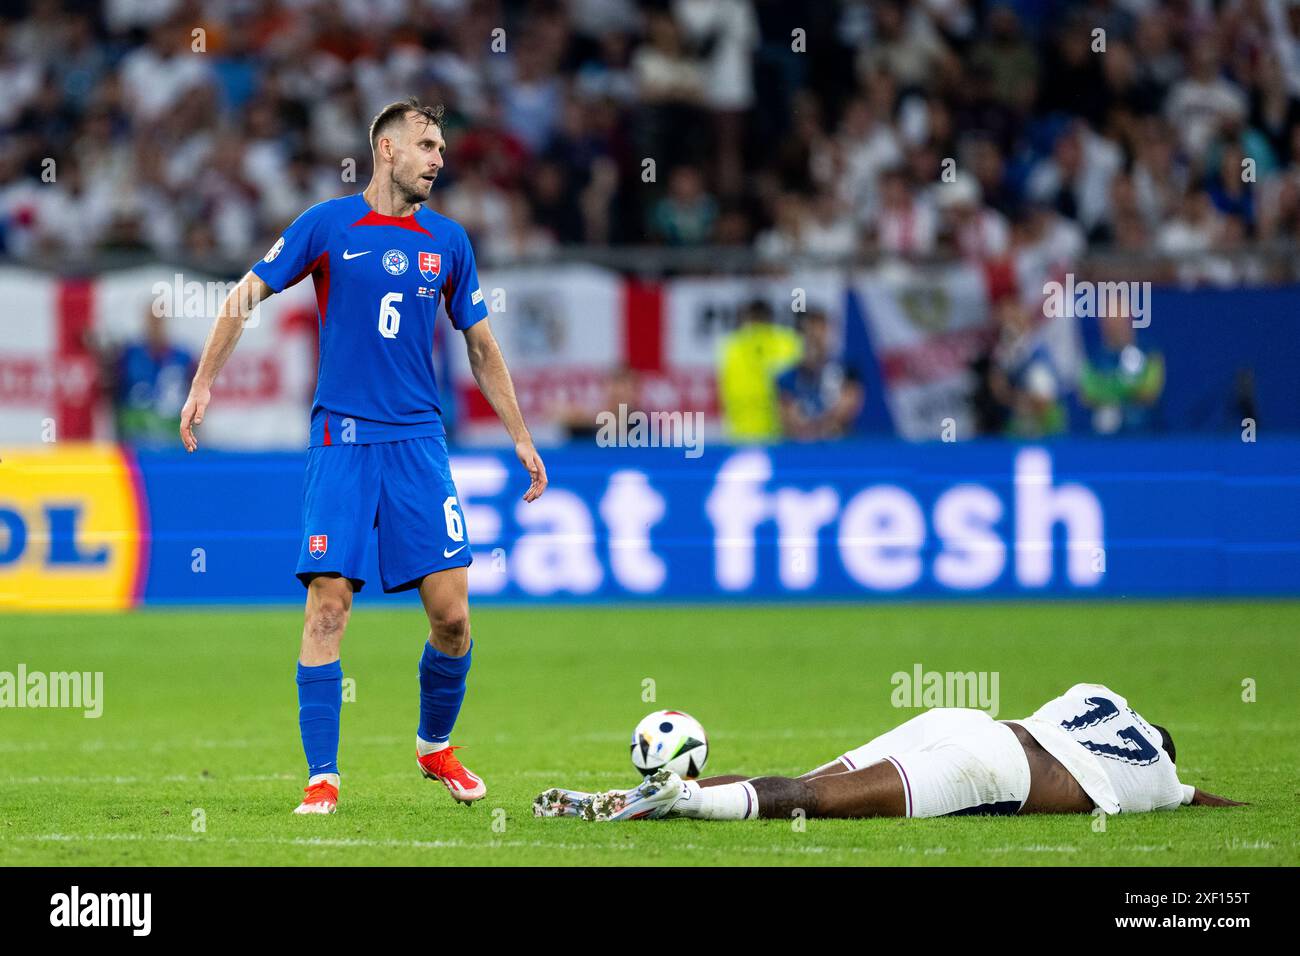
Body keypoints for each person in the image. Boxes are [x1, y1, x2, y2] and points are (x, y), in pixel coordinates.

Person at [179, 98, 548, 815]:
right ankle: (323, 778)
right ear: (386, 150)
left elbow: (479, 344)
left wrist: (522, 436)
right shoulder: (327, 225)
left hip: (417, 442)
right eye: (428, 144)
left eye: (442, 147)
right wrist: (203, 386)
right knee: (327, 605)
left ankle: (434, 746)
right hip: (342, 440)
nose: (440, 158)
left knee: (453, 618)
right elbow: (243, 297)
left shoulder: (450, 242)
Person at [535, 683, 1244, 821]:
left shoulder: (1101, 695)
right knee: (811, 803)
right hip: (993, 769)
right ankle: (684, 796)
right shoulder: (1164, 779)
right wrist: (1221, 798)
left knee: (804, 781)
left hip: (964, 722)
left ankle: (633, 799)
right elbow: (1196, 796)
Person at [776, 309, 863, 440]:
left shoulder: (845, 371)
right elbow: (790, 421)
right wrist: (824, 420)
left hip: (839, 446)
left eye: (821, 333)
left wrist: (815, 421)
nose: (816, 339)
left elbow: (847, 409)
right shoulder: (787, 377)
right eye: (811, 334)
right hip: (801, 449)